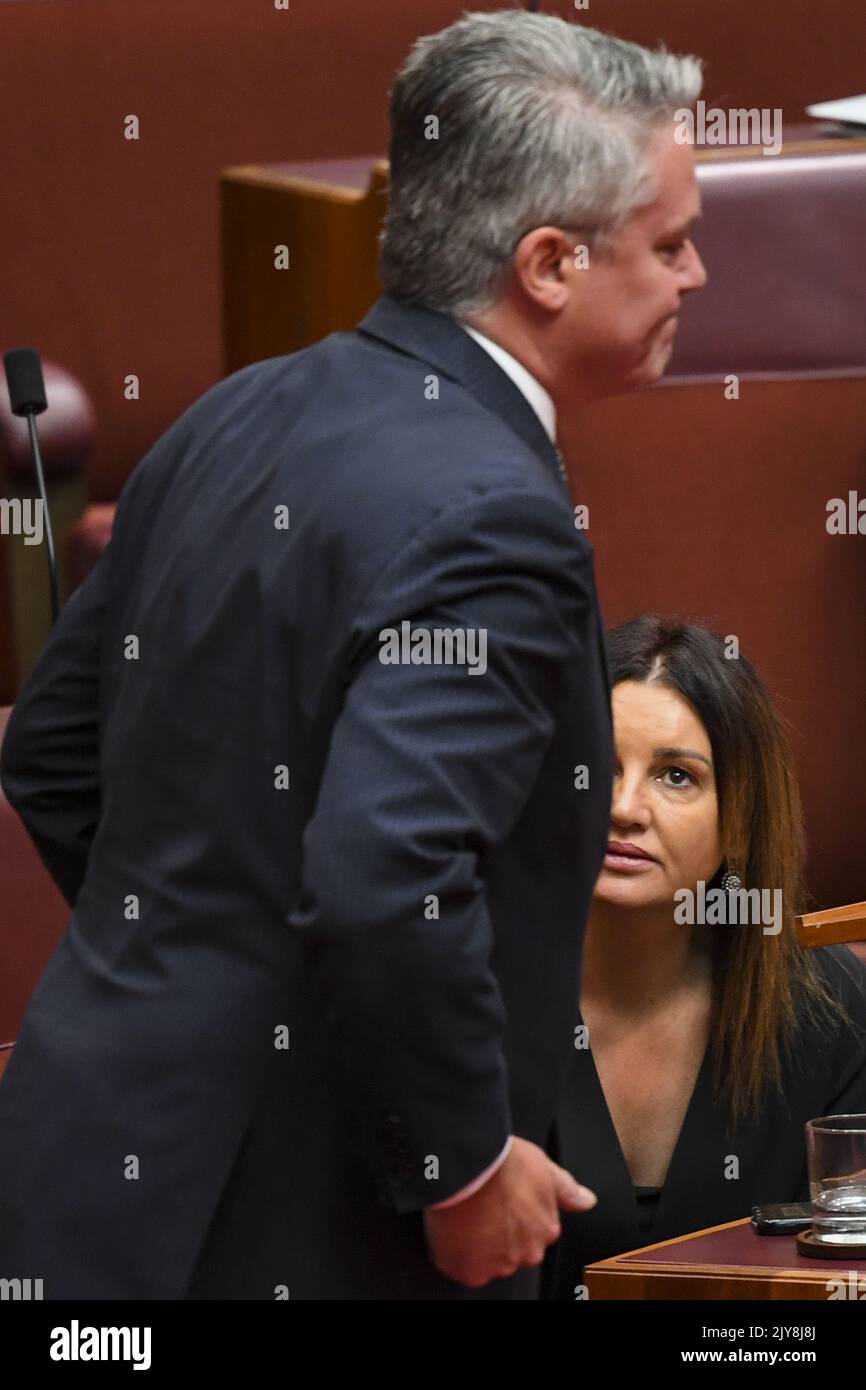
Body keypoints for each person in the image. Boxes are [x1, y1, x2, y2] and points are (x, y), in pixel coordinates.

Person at [0, 12, 706, 1299]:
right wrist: (460, 1162)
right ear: (549, 263)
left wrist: (193, 957)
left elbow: (49, 748)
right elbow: (386, 872)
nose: (694, 277)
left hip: (88, 1159)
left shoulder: (238, 409)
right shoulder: (494, 508)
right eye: (667, 244)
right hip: (302, 1222)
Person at [542, 617, 866, 1299]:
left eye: (676, 776)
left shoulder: (829, 1010)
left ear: (740, 824)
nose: (625, 807)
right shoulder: (467, 988)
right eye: (599, 765)